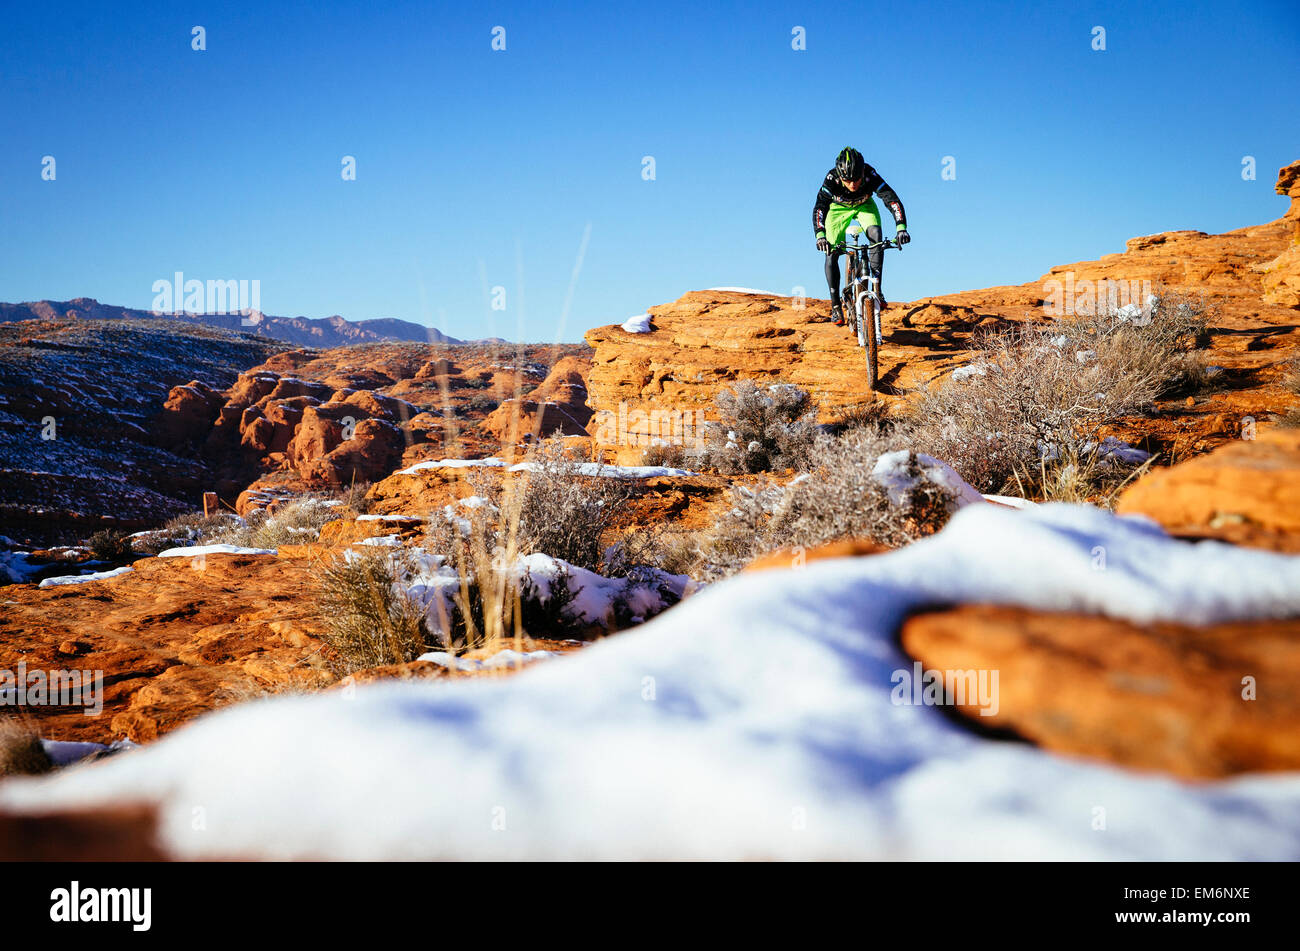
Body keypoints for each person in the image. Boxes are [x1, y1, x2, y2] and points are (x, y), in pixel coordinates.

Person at [813, 147, 910, 326]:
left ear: (862, 172)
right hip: (837, 210)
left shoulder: (870, 174)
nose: (852, 185)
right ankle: (836, 307)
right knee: (831, 252)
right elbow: (820, 207)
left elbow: (891, 199)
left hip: (865, 205)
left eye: (856, 179)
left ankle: (876, 290)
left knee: (876, 237)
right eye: (847, 180)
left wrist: (901, 227)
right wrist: (820, 235)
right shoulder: (831, 178)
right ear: (840, 177)